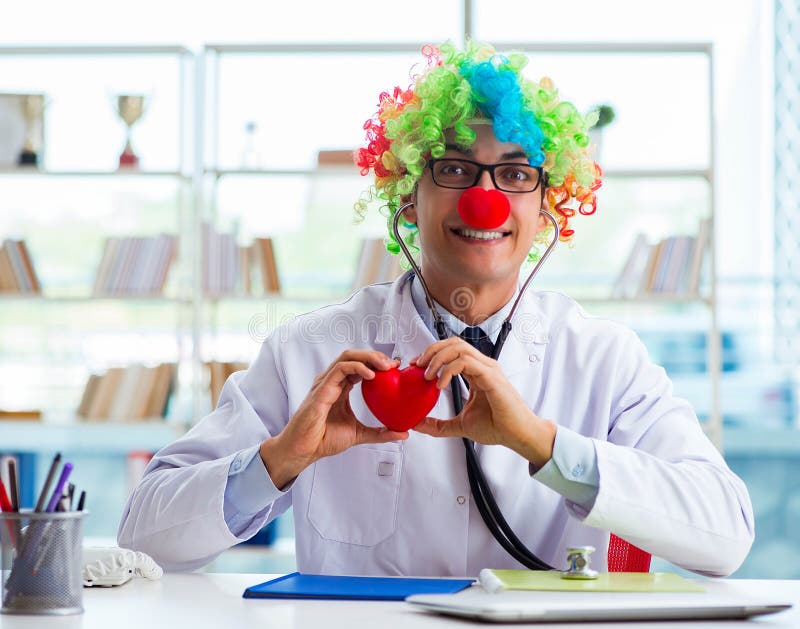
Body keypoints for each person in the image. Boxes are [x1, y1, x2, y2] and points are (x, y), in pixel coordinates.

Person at [118, 41, 754, 577]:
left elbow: (726, 536)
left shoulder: (604, 360)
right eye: (454, 168)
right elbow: (142, 535)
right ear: (406, 195)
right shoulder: (307, 351)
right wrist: (281, 459)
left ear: (547, 207)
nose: (485, 200)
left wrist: (541, 444)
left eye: (513, 174)